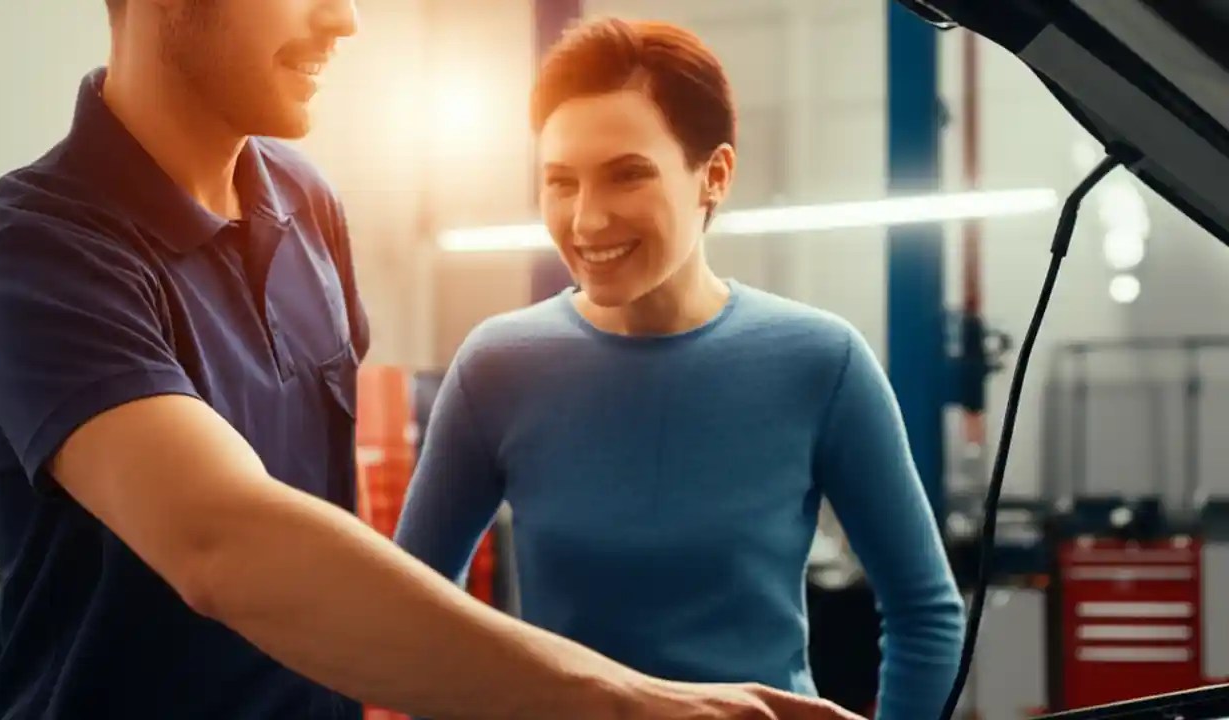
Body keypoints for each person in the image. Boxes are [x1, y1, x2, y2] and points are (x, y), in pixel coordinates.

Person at [0, 1, 861, 719]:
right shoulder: (43, 248)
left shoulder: (308, 206)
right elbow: (219, 540)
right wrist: (623, 701)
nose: (344, 19)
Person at [394, 17, 967, 720]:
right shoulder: (498, 367)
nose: (587, 220)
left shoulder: (820, 362)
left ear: (714, 175)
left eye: (627, 175)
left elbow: (925, 611)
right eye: (561, 182)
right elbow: (410, 613)